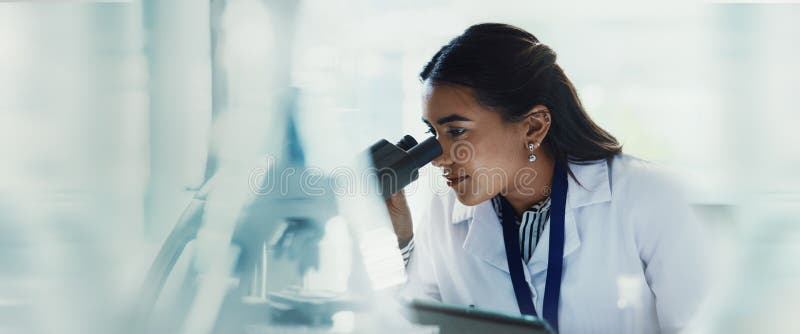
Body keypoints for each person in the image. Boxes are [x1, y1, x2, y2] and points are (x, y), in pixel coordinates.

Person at [386, 23, 707, 334]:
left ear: (533, 127)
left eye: (457, 131)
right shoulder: (444, 212)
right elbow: (419, 320)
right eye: (434, 133)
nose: (440, 157)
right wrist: (400, 240)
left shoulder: (650, 196)